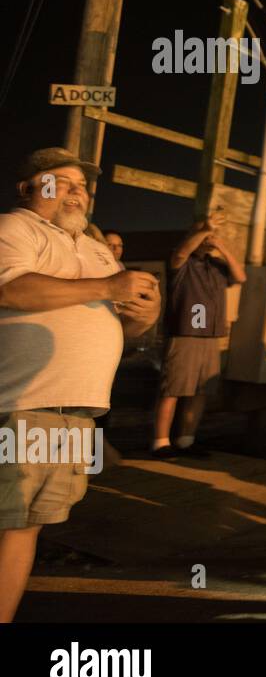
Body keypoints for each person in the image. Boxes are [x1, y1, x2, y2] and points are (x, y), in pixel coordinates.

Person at [0, 148, 160, 622]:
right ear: (29, 188)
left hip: (77, 413)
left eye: (82, 185)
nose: (75, 191)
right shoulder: (16, 228)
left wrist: (141, 318)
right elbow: (11, 290)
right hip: (20, 404)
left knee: (26, 529)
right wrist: (110, 289)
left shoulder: (94, 248)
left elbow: (114, 323)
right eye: (60, 181)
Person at [151, 209, 245, 458]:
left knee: (200, 390)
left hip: (211, 335)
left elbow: (241, 276)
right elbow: (182, 252)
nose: (207, 238)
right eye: (204, 233)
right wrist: (205, 228)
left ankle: (186, 441)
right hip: (185, 333)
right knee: (173, 389)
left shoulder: (216, 265)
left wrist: (222, 246)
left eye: (210, 234)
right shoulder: (180, 259)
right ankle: (160, 443)